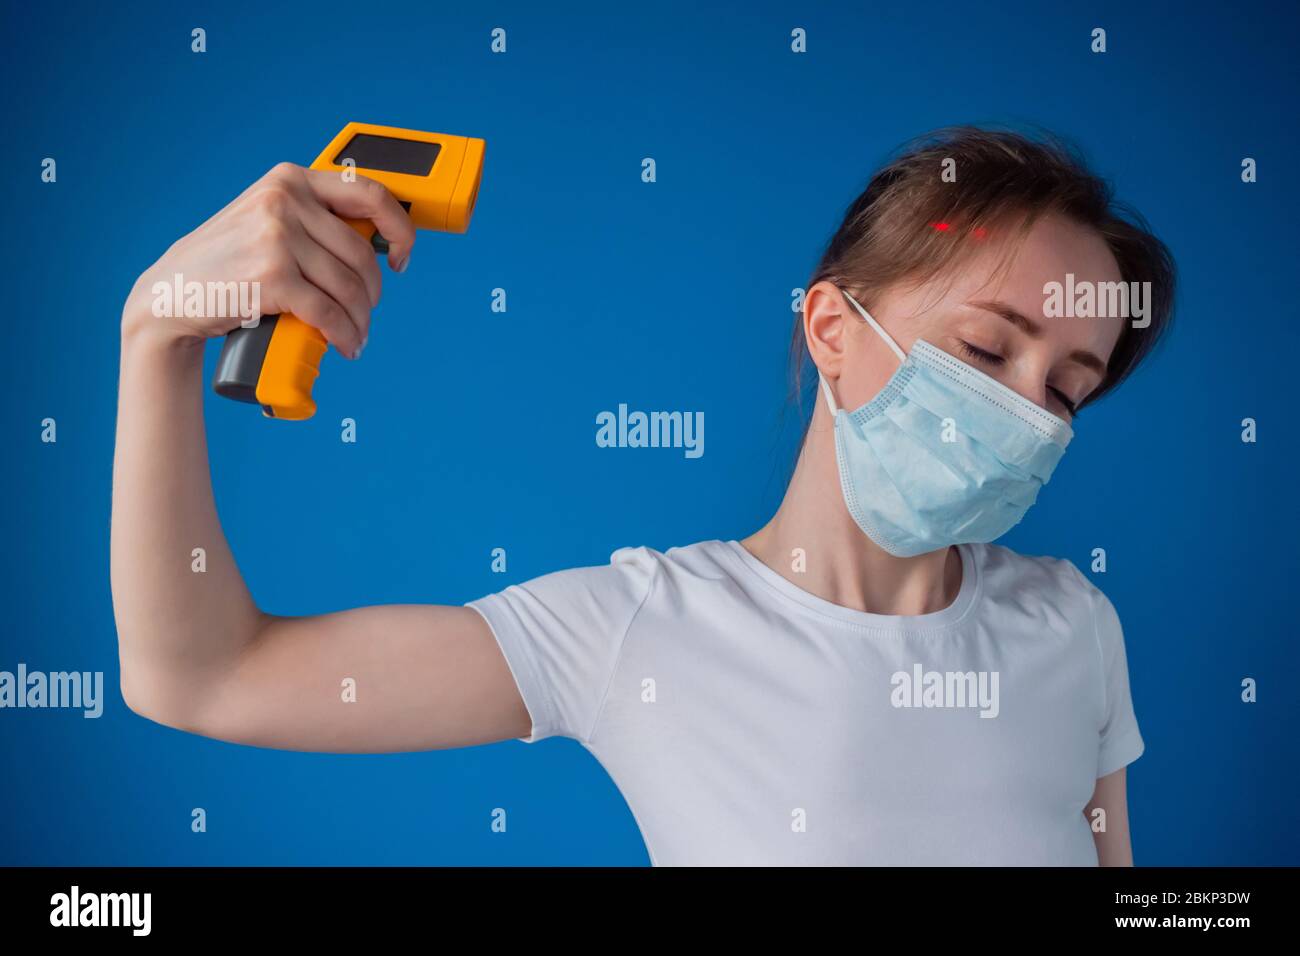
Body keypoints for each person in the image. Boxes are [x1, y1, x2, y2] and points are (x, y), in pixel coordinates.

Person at [111, 126, 1174, 866]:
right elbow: (205, 676)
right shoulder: (643, 629)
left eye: (1066, 393)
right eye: (986, 346)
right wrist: (154, 334)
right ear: (832, 331)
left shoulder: (1074, 626)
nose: (1026, 413)